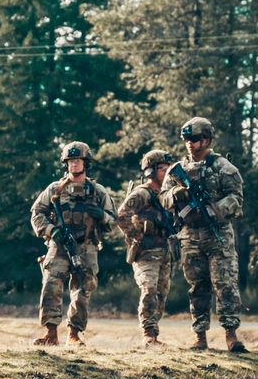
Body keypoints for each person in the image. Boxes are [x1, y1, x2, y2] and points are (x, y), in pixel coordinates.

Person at [161, 117, 247, 352]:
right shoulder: (176, 171)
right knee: (197, 287)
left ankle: (231, 335)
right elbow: (163, 198)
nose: (190, 143)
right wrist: (176, 193)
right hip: (190, 235)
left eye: (195, 138)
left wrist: (214, 209)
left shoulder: (223, 167)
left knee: (225, 284)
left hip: (217, 233)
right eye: (186, 139)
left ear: (207, 140)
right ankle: (200, 337)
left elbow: (236, 198)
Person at [30, 142, 117, 346]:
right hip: (59, 245)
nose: (74, 164)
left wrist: (102, 215)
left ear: (86, 163)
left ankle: (74, 334)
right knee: (51, 285)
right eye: (70, 161)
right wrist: (52, 231)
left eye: (78, 160)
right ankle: (51, 334)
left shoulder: (97, 191)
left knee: (83, 290)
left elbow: (114, 222)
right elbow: (37, 213)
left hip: (87, 246)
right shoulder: (55, 189)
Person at [117, 150, 178, 347]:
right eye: (162, 169)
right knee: (149, 288)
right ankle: (148, 334)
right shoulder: (143, 193)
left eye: (168, 168)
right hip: (146, 252)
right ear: (151, 171)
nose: (167, 173)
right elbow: (122, 215)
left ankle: (154, 335)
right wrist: (136, 235)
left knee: (161, 294)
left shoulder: (169, 194)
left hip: (165, 251)